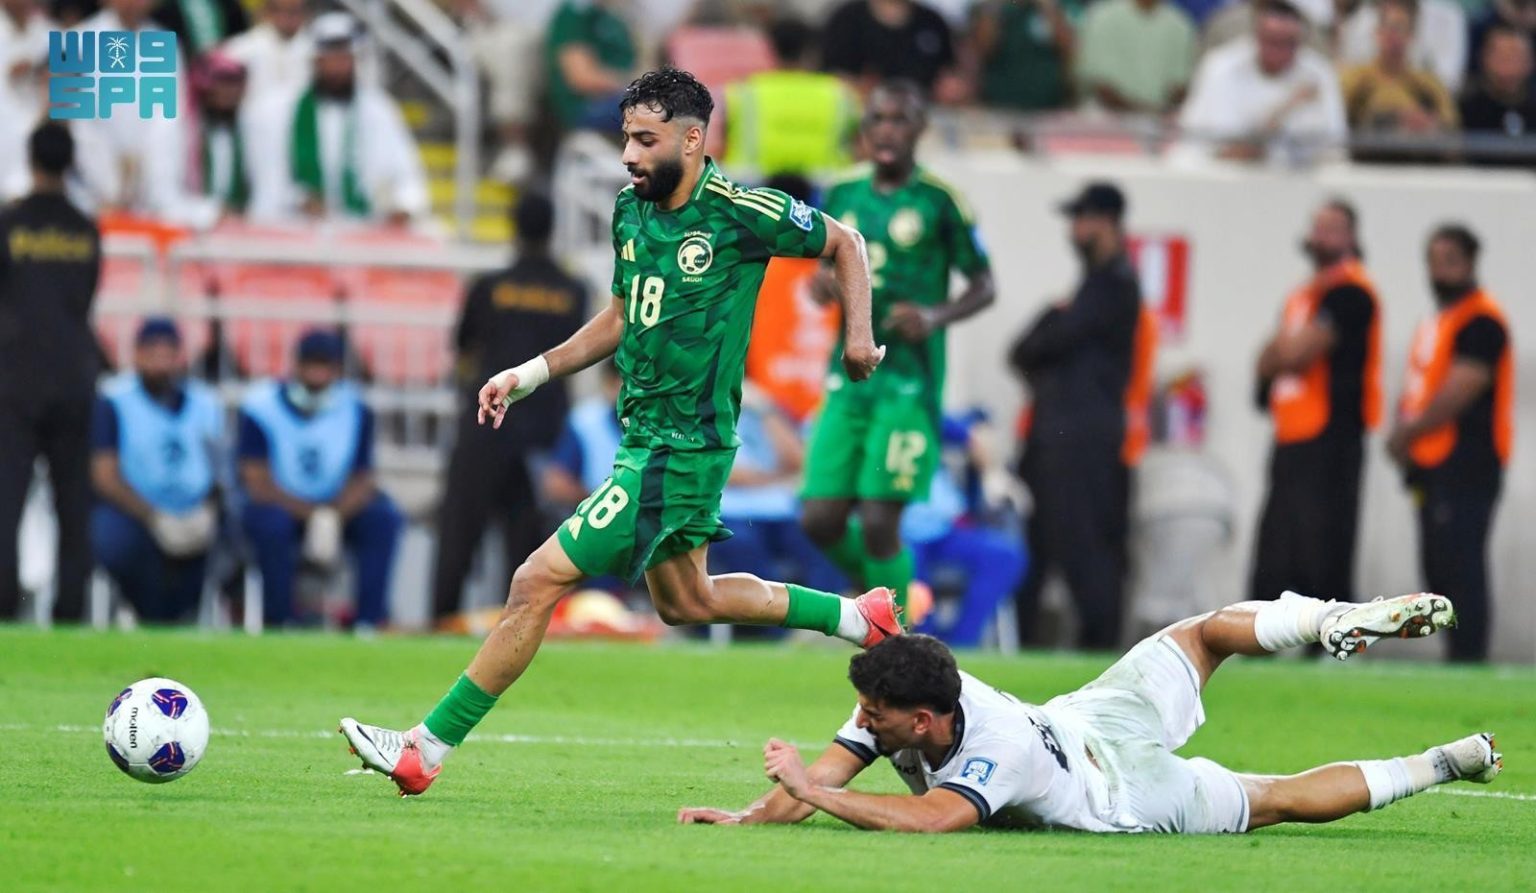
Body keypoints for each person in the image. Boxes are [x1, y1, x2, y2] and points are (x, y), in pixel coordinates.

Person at [339, 68, 896, 797]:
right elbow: (624, 313)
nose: (629, 155)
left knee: (535, 579)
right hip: (646, 438)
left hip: (682, 446)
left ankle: (425, 747)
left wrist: (858, 337)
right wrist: (530, 371)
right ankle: (862, 617)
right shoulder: (630, 211)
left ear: (693, 140)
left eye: (645, 139)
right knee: (686, 602)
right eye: (625, 138)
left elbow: (846, 243)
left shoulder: (739, 211)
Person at [676, 593, 1501, 833]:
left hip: (1124, 788)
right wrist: (754, 816)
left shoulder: (992, 750)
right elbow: (819, 773)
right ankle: (1444, 755)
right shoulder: (906, 702)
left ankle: (1333, 627)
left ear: (923, 720)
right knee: (1207, 633)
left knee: (1274, 795)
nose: (862, 720)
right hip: (1084, 714)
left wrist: (815, 797)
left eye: (875, 711)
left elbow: (933, 820)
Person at [798, 80, 995, 616]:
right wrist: (821, 282)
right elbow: (825, 265)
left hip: (909, 384)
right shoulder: (842, 193)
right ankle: (896, 599)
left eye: (899, 120)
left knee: (882, 518)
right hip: (847, 378)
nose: (886, 131)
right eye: (877, 120)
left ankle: (896, 636)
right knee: (819, 519)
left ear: (919, 129)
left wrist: (935, 315)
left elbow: (985, 284)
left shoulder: (940, 201)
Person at [430, 192, 589, 625]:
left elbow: (463, 346)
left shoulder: (488, 286)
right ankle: (521, 627)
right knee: (530, 542)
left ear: (514, 226)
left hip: (487, 424)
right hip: (544, 429)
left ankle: (440, 620)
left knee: (460, 530)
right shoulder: (572, 291)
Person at [1008, 182, 1140, 650]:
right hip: (1056, 440)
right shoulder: (1092, 287)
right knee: (1038, 549)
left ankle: (1101, 650)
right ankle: (1029, 643)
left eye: (1082, 219)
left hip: (1083, 444)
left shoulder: (1115, 285)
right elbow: (1023, 350)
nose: (1075, 230)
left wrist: (1049, 322)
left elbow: (1044, 343)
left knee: (1087, 550)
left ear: (1106, 222)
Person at [1387, 226, 1514, 663]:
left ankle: (1469, 655)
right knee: (1439, 567)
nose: (1440, 269)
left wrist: (1408, 431)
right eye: (1434, 259)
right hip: (1433, 462)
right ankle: (1455, 652)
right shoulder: (1438, 321)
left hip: (1467, 463)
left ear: (1471, 261)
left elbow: (1463, 386)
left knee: (1462, 565)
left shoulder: (1481, 320)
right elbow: (1422, 385)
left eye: (1450, 259)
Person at [1250, 200, 1381, 606]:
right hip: (1291, 434)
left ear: (1352, 237)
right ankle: (1264, 638)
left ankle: (1328, 639)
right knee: (1277, 545)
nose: (1323, 236)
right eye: (1318, 227)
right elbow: (1267, 357)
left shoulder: (1352, 293)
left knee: (1323, 545)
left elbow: (1292, 355)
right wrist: (1276, 356)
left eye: (1334, 228)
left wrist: (1280, 354)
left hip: (1331, 436)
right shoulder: (1302, 296)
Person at [0, 122, 101, 624]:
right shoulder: (84, 228)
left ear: (31, 158)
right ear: (70, 162)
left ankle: (4, 608)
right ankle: (70, 611)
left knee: (7, 500)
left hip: (15, 376)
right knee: (73, 503)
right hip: (74, 373)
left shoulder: (10, 223)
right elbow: (84, 299)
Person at [238, 330, 403, 630]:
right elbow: (256, 481)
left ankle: (369, 621)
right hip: (282, 504)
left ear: (337, 369)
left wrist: (332, 515)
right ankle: (281, 619)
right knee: (270, 524)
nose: (317, 373)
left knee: (383, 519)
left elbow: (363, 478)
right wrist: (313, 516)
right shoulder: (260, 407)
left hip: (335, 507)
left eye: (324, 365)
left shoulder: (355, 409)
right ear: (296, 365)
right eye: (311, 364)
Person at [90, 319, 224, 623]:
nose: (161, 363)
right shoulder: (113, 400)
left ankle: (188, 617)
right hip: (136, 509)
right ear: (136, 354)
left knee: (233, 535)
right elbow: (104, 474)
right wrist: (154, 517)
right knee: (115, 538)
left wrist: (207, 510)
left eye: (168, 354)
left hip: (193, 511)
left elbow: (221, 470)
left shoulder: (205, 403)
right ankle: (146, 614)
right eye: (152, 353)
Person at [245, 12, 428, 225]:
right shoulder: (279, 110)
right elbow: (269, 183)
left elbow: (407, 176)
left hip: (363, 231)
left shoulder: (379, 111)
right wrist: (300, 199)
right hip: (296, 229)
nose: (337, 68)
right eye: (329, 59)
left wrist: (402, 207)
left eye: (344, 59)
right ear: (315, 62)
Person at [904, 412, 1028, 648]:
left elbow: (975, 437)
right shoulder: (861, 413)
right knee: (904, 568)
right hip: (897, 535)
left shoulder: (924, 411)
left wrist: (993, 475)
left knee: (1005, 556)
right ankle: (921, 646)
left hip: (943, 531)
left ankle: (962, 644)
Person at [1172, 0, 1347, 168]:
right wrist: (1289, 107)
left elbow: (1334, 151)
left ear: (1300, 40)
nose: (1278, 51)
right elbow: (1199, 146)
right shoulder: (1219, 67)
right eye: (1271, 41)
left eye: (1287, 43)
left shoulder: (1319, 74)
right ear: (1256, 35)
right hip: (1226, 181)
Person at [722, 17, 861, 180]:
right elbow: (860, 146)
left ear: (772, 50)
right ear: (810, 52)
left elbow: (719, 144)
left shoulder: (744, 92)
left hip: (751, 193)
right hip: (824, 195)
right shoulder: (841, 94)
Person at [1338, 0, 1458, 140]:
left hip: (1418, 156)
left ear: (1411, 36)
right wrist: (1392, 120)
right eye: (1390, 29)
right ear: (1378, 33)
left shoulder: (1428, 84)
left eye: (1401, 30)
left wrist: (1431, 124)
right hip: (1368, 157)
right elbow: (1339, 122)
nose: (1395, 37)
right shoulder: (1355, 79)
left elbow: (1452, 125)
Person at [822, 0, 965, 102]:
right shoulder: (847, 19)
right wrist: (857, 89)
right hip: (863, 121)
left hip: (925, 119)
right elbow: (829, 77)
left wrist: (951, 89)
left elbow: (949, 74)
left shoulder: (933, 22)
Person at [1075, 0, 1198, 114]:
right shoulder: (1101, 17)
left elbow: (1180, 86)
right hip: (1107, 115)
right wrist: (1142, 113)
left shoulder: (1180, 25)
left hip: (1161, 119)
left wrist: (1154, 114)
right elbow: (1099, 85)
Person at [969, 0, 1084, 113]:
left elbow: (1068, 49)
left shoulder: (1056, 7)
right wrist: (992, 9)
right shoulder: (993, 9)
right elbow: (983, 49)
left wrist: (1048, 8)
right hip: (1000, 107)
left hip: (1049, 107)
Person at [544, 0, 637, 133]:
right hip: (590, 105)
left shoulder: (615, 17)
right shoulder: (575, 13)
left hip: (623, 99)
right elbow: (581, 78)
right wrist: (636, 85)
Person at [1337, 0, 1466, 95]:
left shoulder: (1448, 18)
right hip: (1370, 115)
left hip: (1427, 111)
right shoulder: (1358, 23)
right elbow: (1349, 83)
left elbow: (1449, 81)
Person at [189, 52, 255, 219]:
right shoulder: (185, 131)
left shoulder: (250, 129)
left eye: (235, 84)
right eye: (223, 83)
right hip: (191, 220)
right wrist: (211, 210)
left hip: (241, 225)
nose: (230, 92)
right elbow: (165, 193)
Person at [1459, 25, 1536, 162]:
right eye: (1501, 57)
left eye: (1515, 57)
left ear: (1530, 62)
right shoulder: (1464, 109)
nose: (1508, 66)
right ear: (1484, 58)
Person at [219, 0, 314, 109]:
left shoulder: (314, 48)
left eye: (295, 11)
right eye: (280, 10)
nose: (288, 17)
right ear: (267, 12)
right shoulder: (241, 48)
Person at [153, 0, 250, 57]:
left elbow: (242, 36)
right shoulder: (165, 6)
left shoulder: (227, 4)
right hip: (183, 69)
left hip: (224, 73)